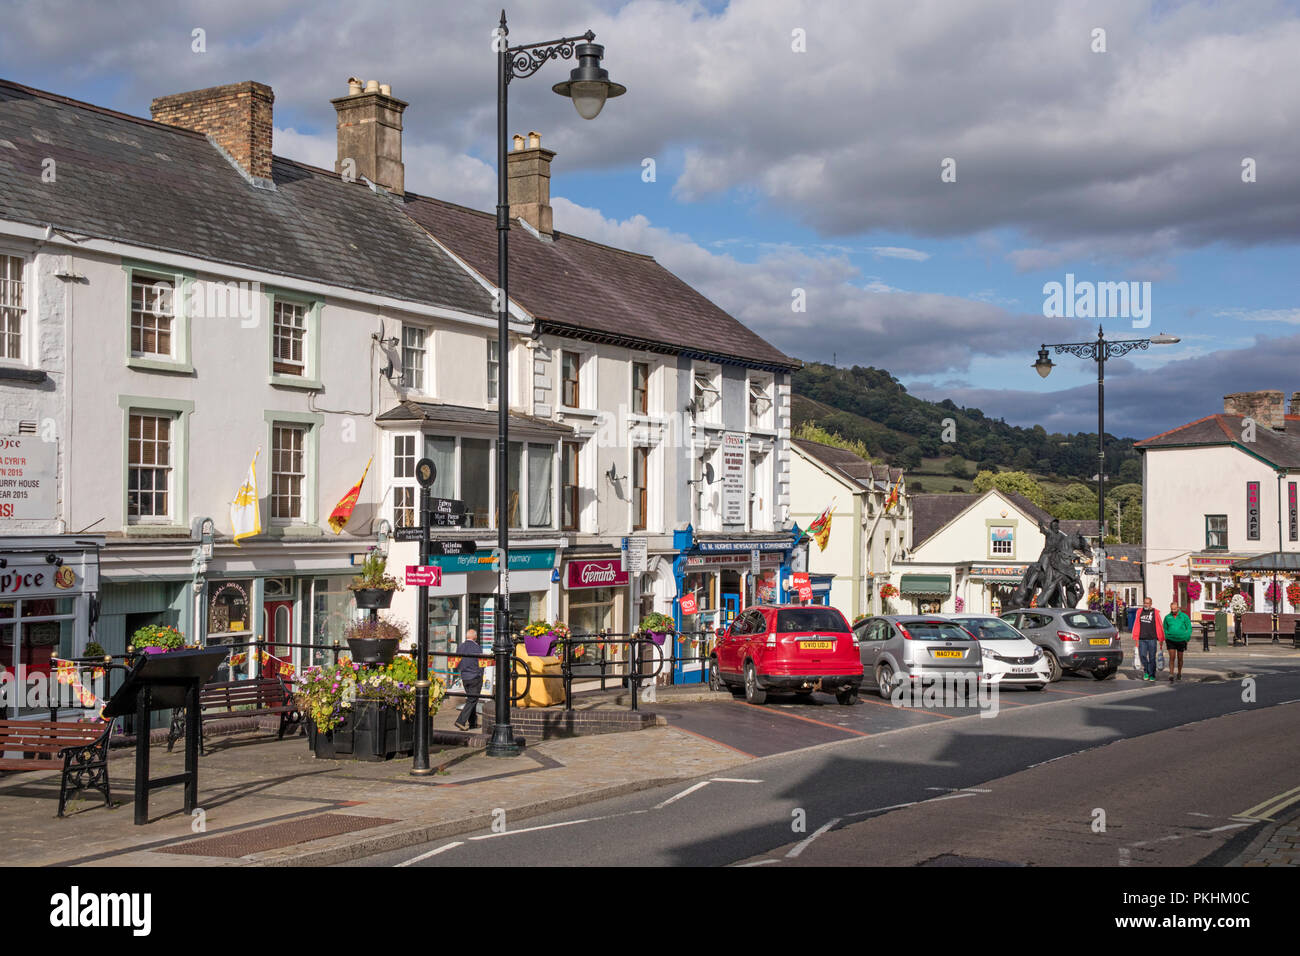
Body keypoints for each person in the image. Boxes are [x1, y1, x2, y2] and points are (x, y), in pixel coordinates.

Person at [453, 628, 486, 731]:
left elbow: (457, 661)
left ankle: (473, 723)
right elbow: (481, 663)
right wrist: (480, 674)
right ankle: (460, 721)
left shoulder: (461, 646)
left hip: (465, 677)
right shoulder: (477, 648)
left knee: (471, 699)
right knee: (472, 699)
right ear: (475, 637)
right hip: (474, 677)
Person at [1130, 597, 1166, 682]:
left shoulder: (1155, 613)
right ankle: (1146, 671)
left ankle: (1152, 674)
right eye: (1144, 603)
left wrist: (1161, 638)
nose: (1145, 604)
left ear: (1151, 604)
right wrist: (1135, 636)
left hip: (1152, 639)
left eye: (1147, 603)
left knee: (1152, 658)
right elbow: (1136, 624)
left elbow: (1160, 625)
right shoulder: (1139, 612)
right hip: (1142, 638)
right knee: (1142, 656)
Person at [1163, 601, 1192, 682]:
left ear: (1178, 608)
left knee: (1180, 658)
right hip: (1170, 639)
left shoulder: (1184, 616)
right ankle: (1171, 674)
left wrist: (1187, 637)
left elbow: (1189, 628)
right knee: (1172, 657)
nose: (1173, 611)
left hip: (1181, 640)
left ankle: (1179, 673)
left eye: (1175, 609)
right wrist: (1166, 636)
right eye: (1172, 609)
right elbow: (1164, 628)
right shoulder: (1167, 617)